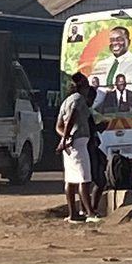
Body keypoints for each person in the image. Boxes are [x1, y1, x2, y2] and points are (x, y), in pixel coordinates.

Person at [56, 72, 99, 223]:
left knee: (70, 179)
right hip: (78, 143)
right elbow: (72, 117)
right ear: (82, 87)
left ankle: (73, 214)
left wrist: (65, 138)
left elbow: (58, 126)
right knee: (84, 178)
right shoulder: (79, 99)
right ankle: (90, 213)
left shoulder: (65, 102)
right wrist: (67, 137)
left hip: (69, 145)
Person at [91, 26, 132, 91]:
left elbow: (131, 91)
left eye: (119, 39)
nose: (115, 43)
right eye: (112, 40)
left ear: (128, 42)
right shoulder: (101, 64)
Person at [85, 85, 108, 216]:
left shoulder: (87, 111)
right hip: (88, 148)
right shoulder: (82, 111)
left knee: (98, 180)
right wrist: (99, 127)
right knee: (96, 180)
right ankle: (89, 210)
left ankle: (92, 208)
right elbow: (85, 130)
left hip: (92, 146)